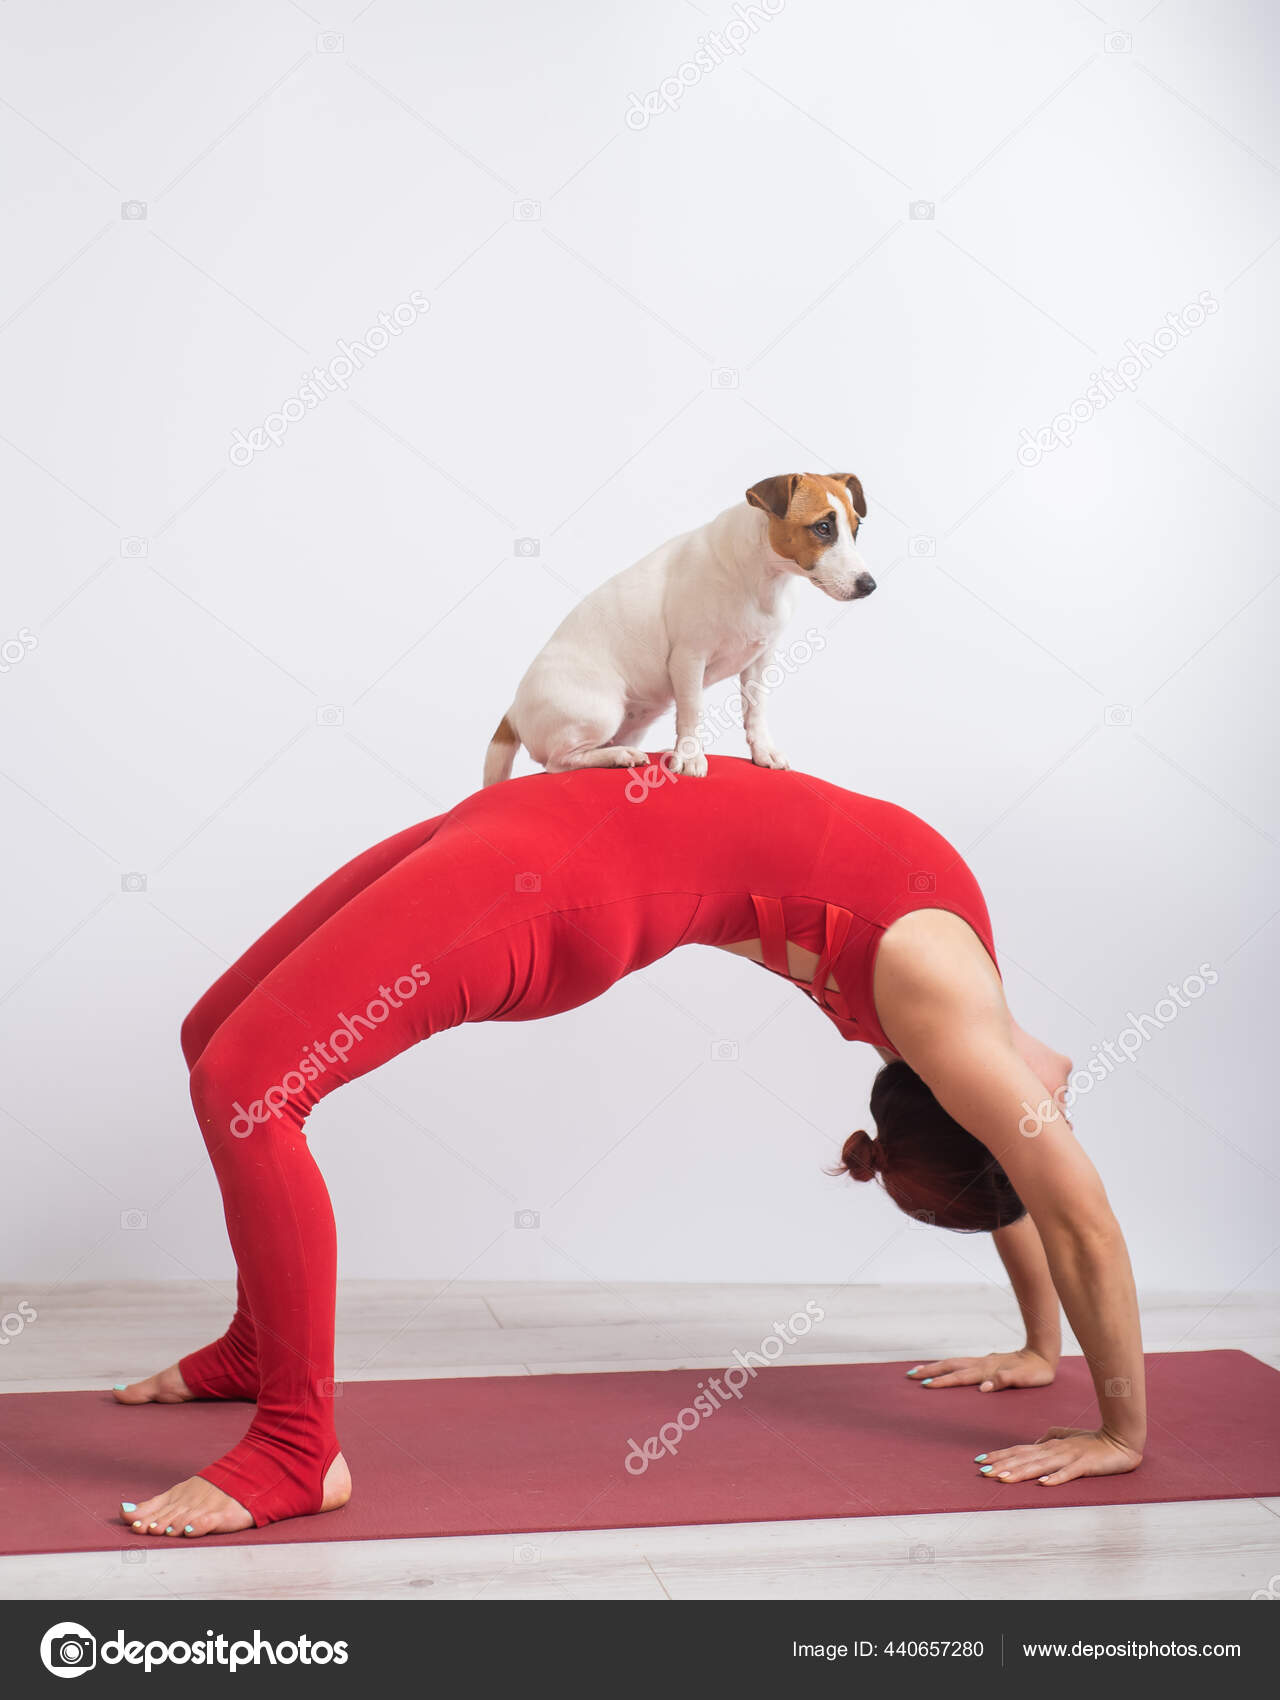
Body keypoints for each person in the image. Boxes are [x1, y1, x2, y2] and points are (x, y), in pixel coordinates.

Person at [114, 757, 1144, 1538]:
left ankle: (284, 1406)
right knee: (226, 1053)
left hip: (561, 825)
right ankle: (292, 1426)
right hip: (550, 867)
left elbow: (1025, 1182)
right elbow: (1074, 1215)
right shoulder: (942, 1005)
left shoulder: (980, 1020)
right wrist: (1118, 1433)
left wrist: (1036, 1346)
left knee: (240, 1074)